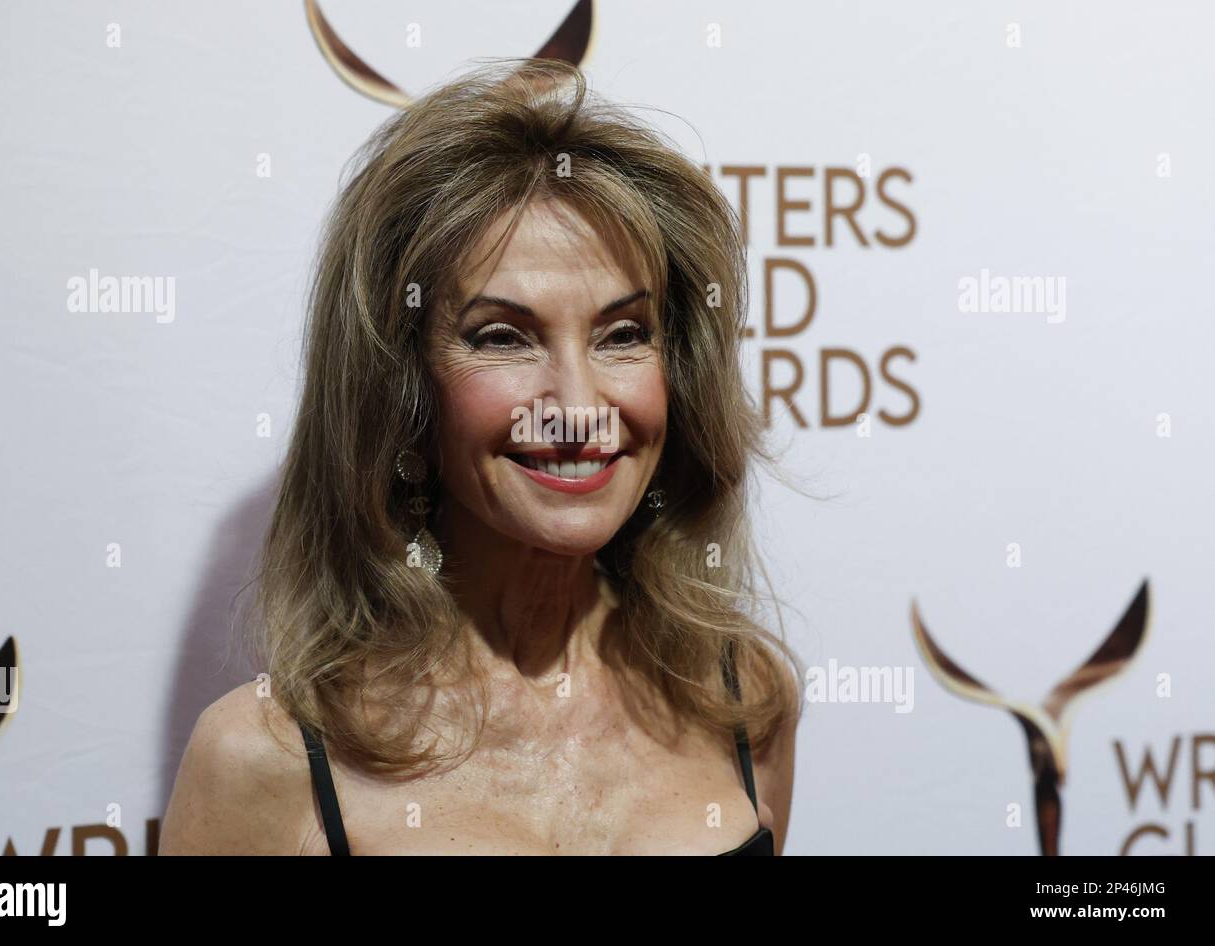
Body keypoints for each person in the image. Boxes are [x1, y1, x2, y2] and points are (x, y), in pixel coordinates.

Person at [160, 58, 802, 855]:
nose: (575, 408)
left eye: (624, 334)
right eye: (503, 337)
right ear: (402, 389)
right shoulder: (266, 759)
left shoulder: (739, 698)